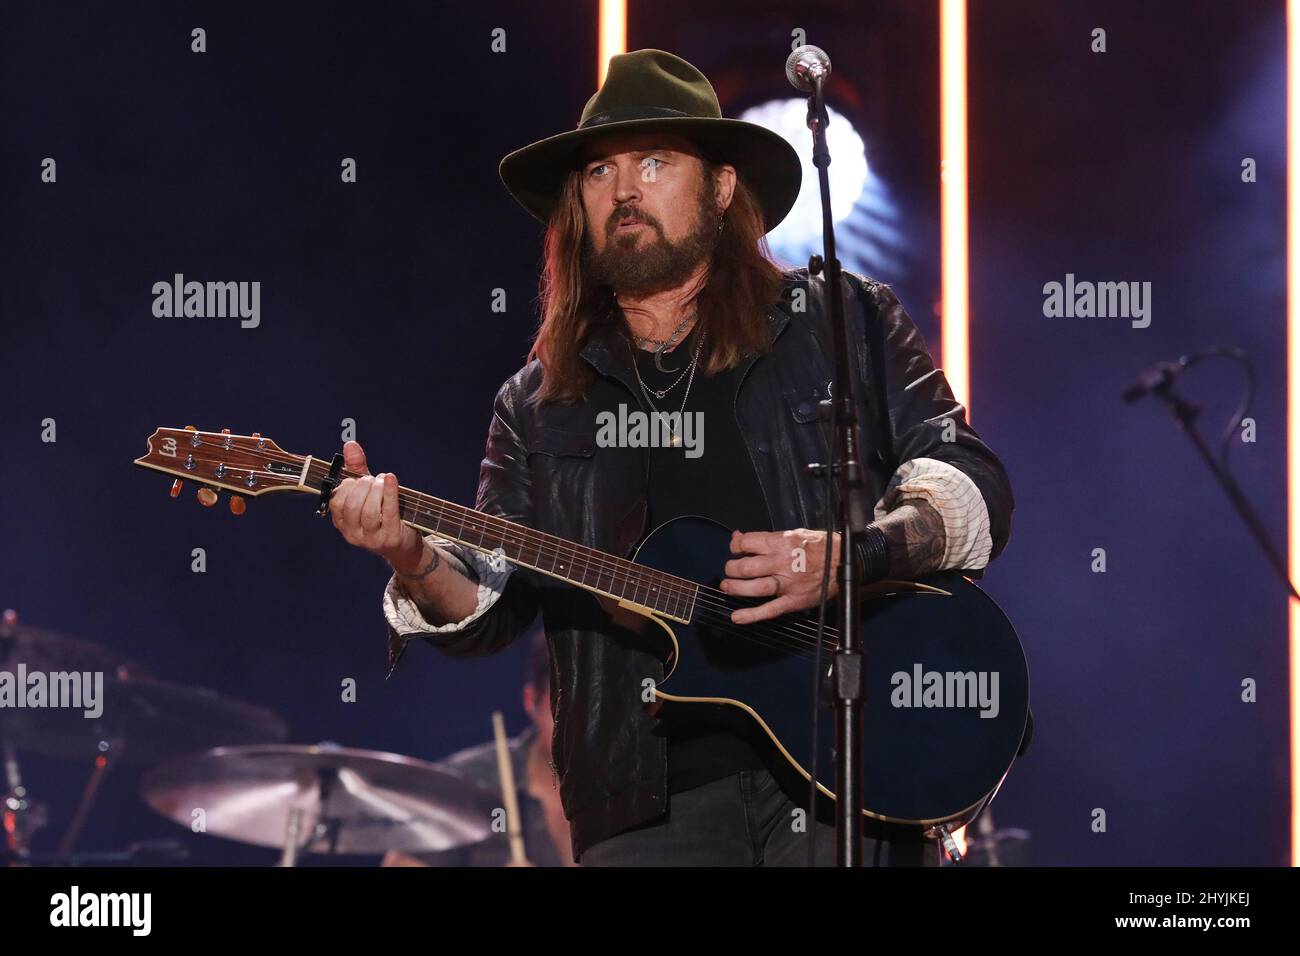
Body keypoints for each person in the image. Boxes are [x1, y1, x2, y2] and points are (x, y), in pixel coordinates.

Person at [329, 49, 1014, 866]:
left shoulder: (841, 322)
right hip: (641, 805)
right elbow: (493, 605)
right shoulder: (537, 403)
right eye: (598, 172)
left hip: (853, 766)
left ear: (722, 188)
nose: (623, 189)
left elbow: (972, 483)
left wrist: (854, 556)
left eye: (654, 162)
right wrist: (410, 556)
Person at [381, 625, 573, 867]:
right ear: (530, 701)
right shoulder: (464, 783)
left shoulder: (631, 794)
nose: (582, 730)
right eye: (564, 712)